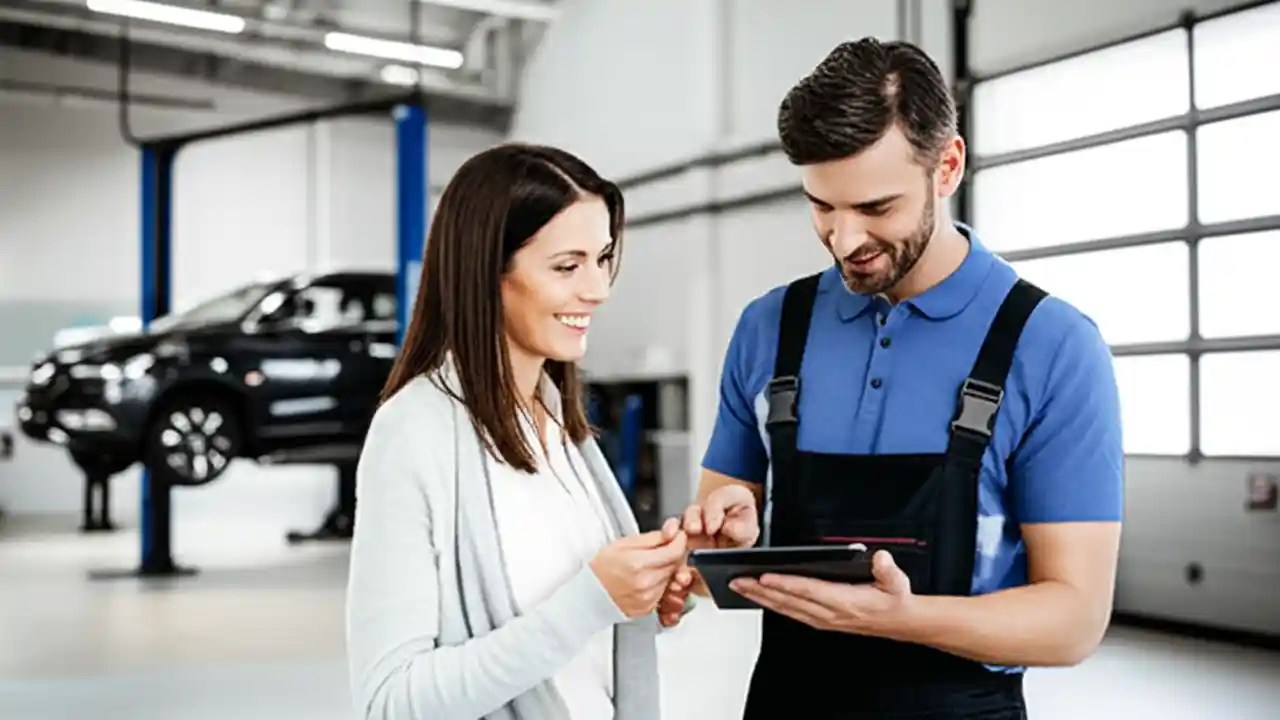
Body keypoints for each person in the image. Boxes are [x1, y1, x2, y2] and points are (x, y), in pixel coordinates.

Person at [658, 37, 1124, 718]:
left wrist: (898, 617)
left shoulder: (1053, 346)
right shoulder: (769, 328)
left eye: (876, 208)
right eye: (822, 206)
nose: (845, 240)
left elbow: (1074, 618)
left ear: (948, 166)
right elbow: (713, 560)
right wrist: (718, 549)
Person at [346, 143, 687, 720]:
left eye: (602, 258)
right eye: (566, 265)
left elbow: (568, 655)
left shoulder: (556, 419)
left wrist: (649, 597)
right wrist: (591, 600)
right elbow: (391, 702)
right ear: (488, 272)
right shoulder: (414, 433)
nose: (599, 287)